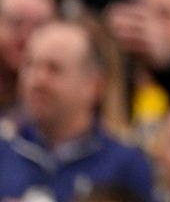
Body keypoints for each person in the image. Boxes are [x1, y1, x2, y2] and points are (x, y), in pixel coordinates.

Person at [0, 19, 154, 202]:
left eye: (54, 69)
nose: (37, 80)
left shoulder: (125, 166)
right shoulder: (5, 149)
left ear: (94, 85)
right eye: (30, 65)